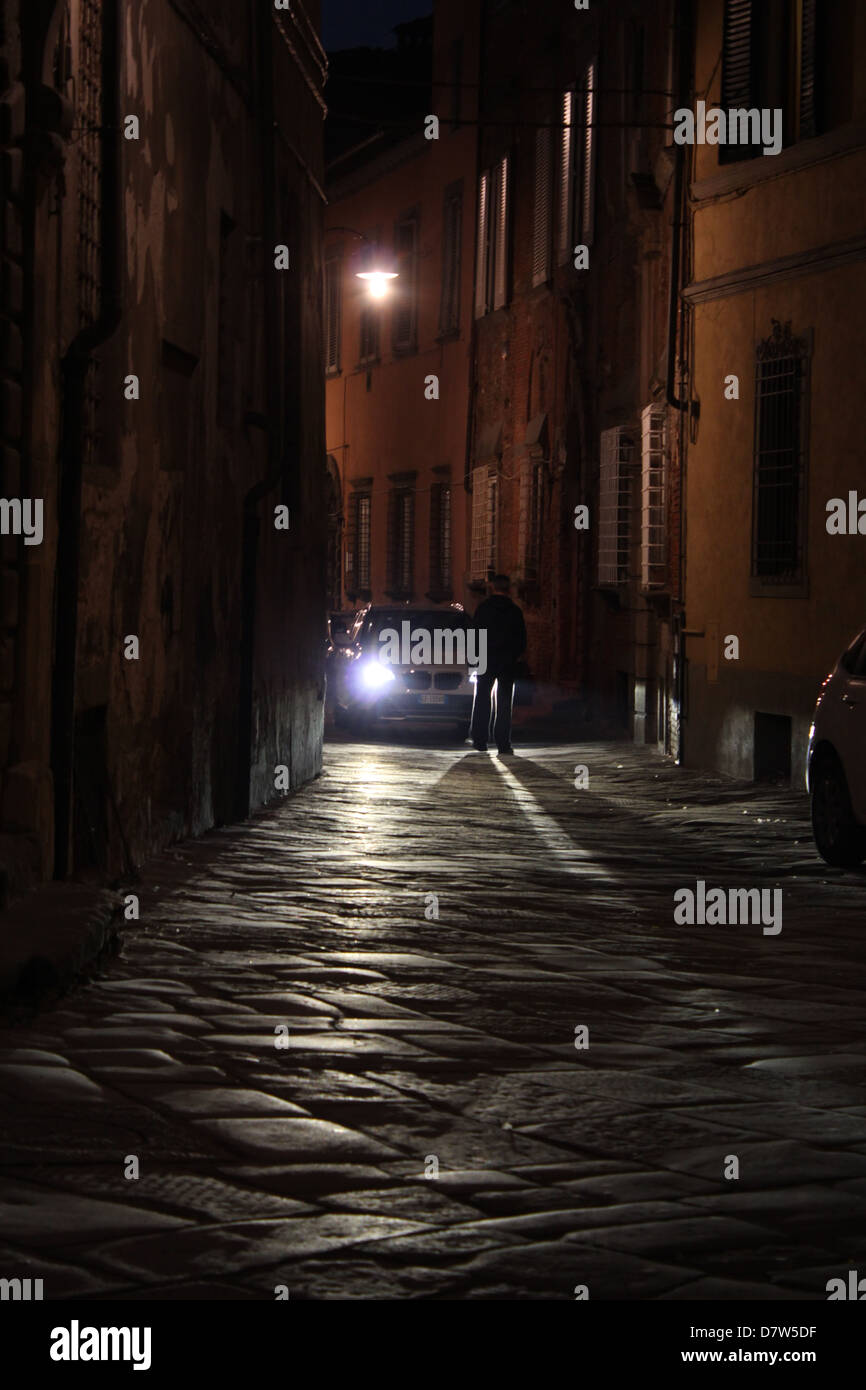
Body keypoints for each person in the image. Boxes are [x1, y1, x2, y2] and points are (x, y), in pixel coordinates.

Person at [470, 574, 527, 755]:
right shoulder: (515, 611)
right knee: (504, 702)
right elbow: (521, 640)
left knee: (482, 698)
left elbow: (474, 635)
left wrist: (474, 658)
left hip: (485, 659)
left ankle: (480, 740)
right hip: (507, 661)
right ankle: (503, 743)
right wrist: (513, 656)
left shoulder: (483, 609)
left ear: (493, 588)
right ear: (508, 588)